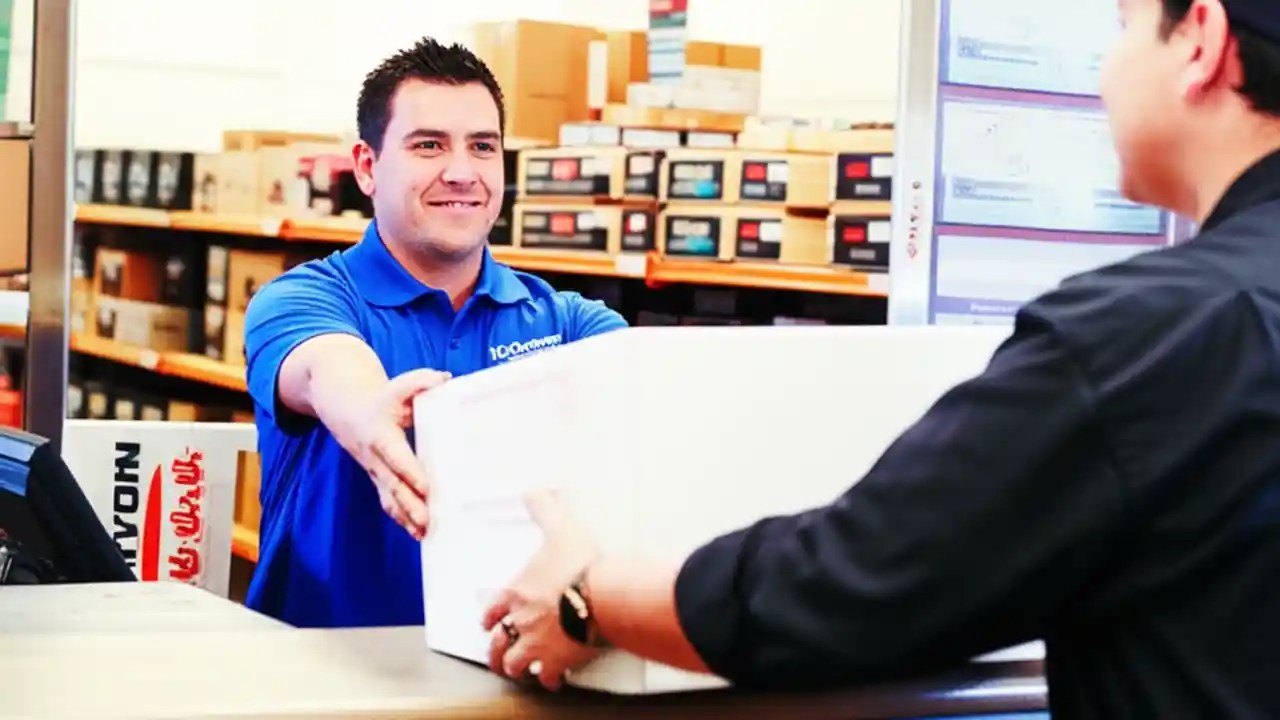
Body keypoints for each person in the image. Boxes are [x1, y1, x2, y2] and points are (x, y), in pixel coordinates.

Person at [481, 0, 1280, 716]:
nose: (1105, 72)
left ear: (1201, 39)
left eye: (1122, 27)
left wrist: (590, 597)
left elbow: (856, 584)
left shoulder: (1143, 334)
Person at [242, 38, 627, 628]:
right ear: (368, 168)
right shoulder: (305, 298)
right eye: (428, 146)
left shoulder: (568, 321)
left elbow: (649, 393)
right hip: (328, 683)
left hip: (511, 675)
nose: (461, 172)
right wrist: (372, 415)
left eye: (482, 147)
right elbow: (328, 367)